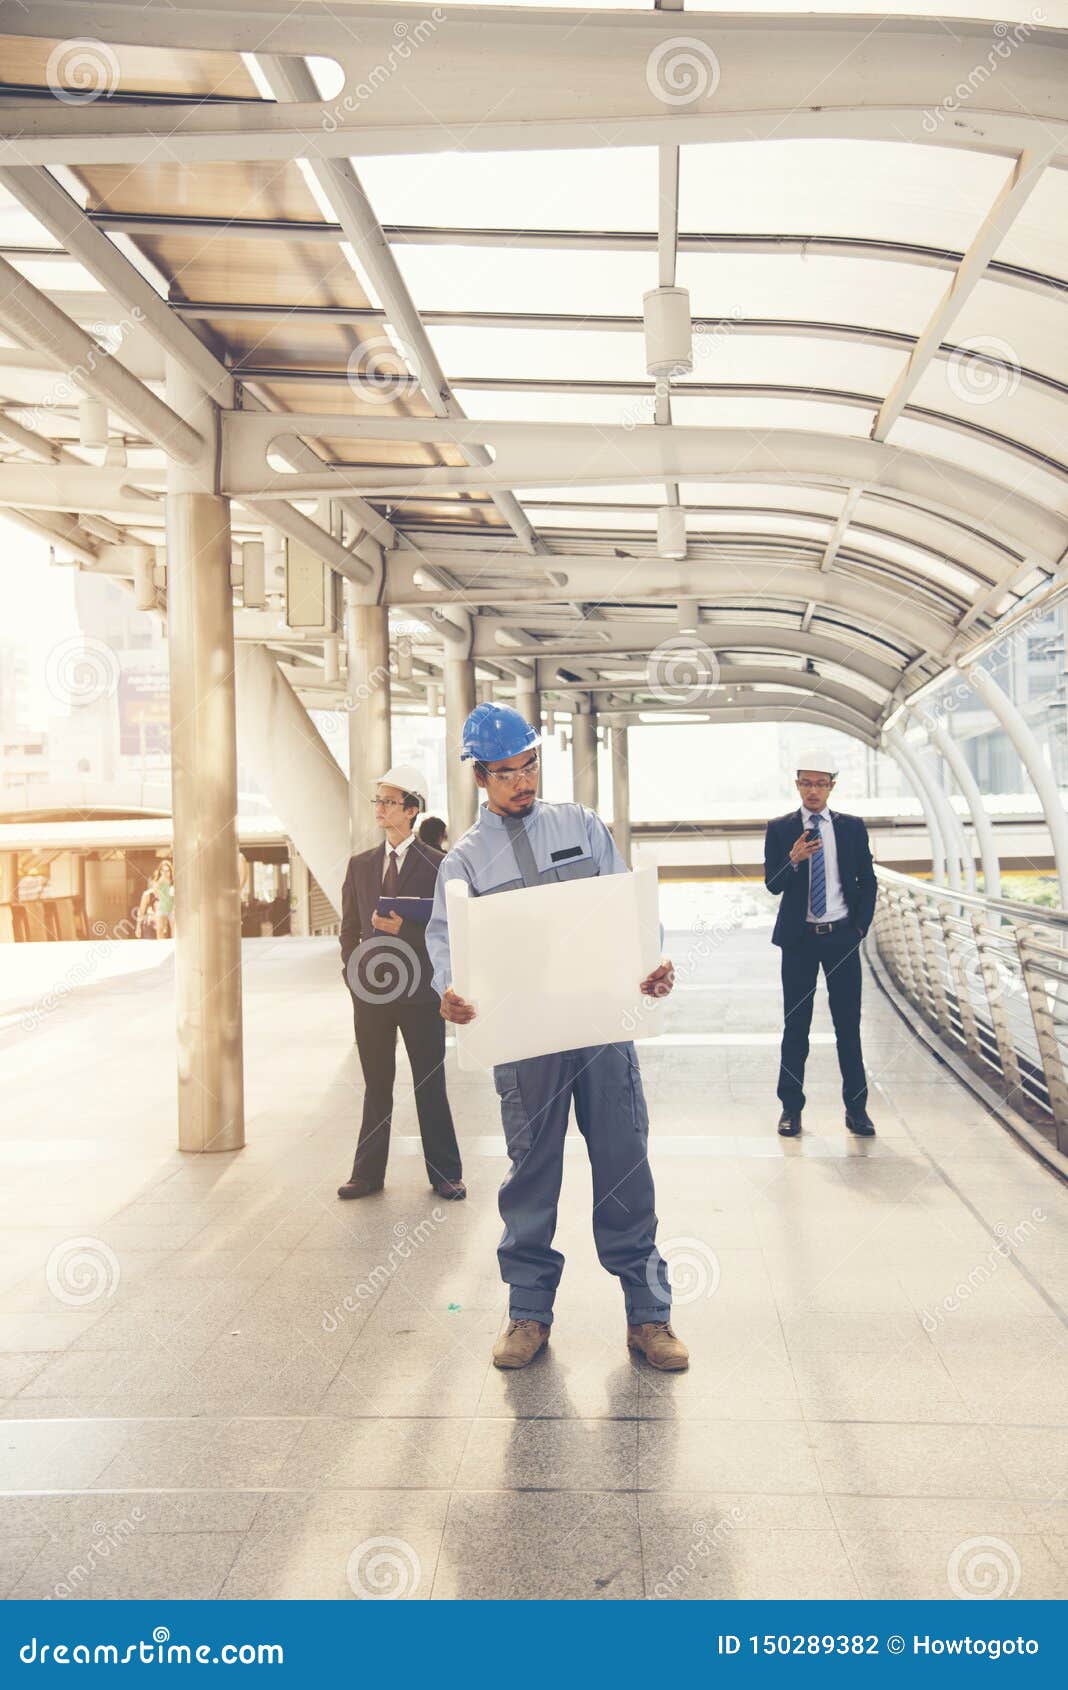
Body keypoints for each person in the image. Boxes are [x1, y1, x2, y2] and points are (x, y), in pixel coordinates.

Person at [426, 703, 688, 1373]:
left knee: (626, 1166)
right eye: (508, 772)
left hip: (602, 1028)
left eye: (531, 766)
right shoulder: (463, 862)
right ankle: (528, 1314)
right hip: (525, 1044)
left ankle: (649, 1316)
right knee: (532, 1178)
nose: (523, 782)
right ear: (481, 777)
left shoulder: (581, 826)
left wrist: (649, 967)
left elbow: (630, 915)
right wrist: (449, 993)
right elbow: (445, 943)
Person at [338, 764, 465, 1202]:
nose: (380, 808)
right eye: (378, 801)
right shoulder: (360, 866)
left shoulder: (439, 865)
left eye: (390, 802)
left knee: (429, 1082)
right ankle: (367, 1175)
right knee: (376, 1084)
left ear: (412, 810)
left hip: (420, 992)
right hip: (371, 994)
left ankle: (445, 1173)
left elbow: (450, 929)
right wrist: (351, 974)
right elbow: (349, 928)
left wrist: (403, 932)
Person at [763, 754, 878, 1139]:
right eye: (805, 783)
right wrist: (792, 860)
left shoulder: (851, 828)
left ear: (832, 786)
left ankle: (856, 1109)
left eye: (820, 784)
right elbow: (773, 884)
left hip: (842, 938)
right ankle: (790, 1109)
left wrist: (859, 928)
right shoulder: (780, 829)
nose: (812, 790)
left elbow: (868, 881)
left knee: (849, 1027)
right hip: (799, 941)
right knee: (796, 1027)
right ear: (797, 786)